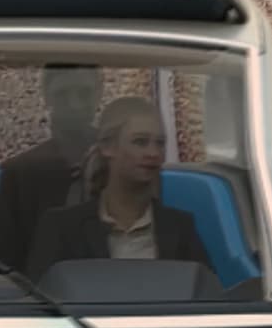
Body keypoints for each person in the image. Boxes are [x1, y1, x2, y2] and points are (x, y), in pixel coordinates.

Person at [26, 94, 204, 269]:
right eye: (140, 142)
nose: (154, 153)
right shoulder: (61, 228)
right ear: (107, 147)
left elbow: (206, 292)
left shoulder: (181, 228)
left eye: (160, 143)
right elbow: (41, 294)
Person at [0, 64, 104, 272]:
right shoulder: (19, 174)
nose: (74, 104)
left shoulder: (121, 164)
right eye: (62, 95)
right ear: (47, 98)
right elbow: (3, 264)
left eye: (83, 94)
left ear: (99, 94)